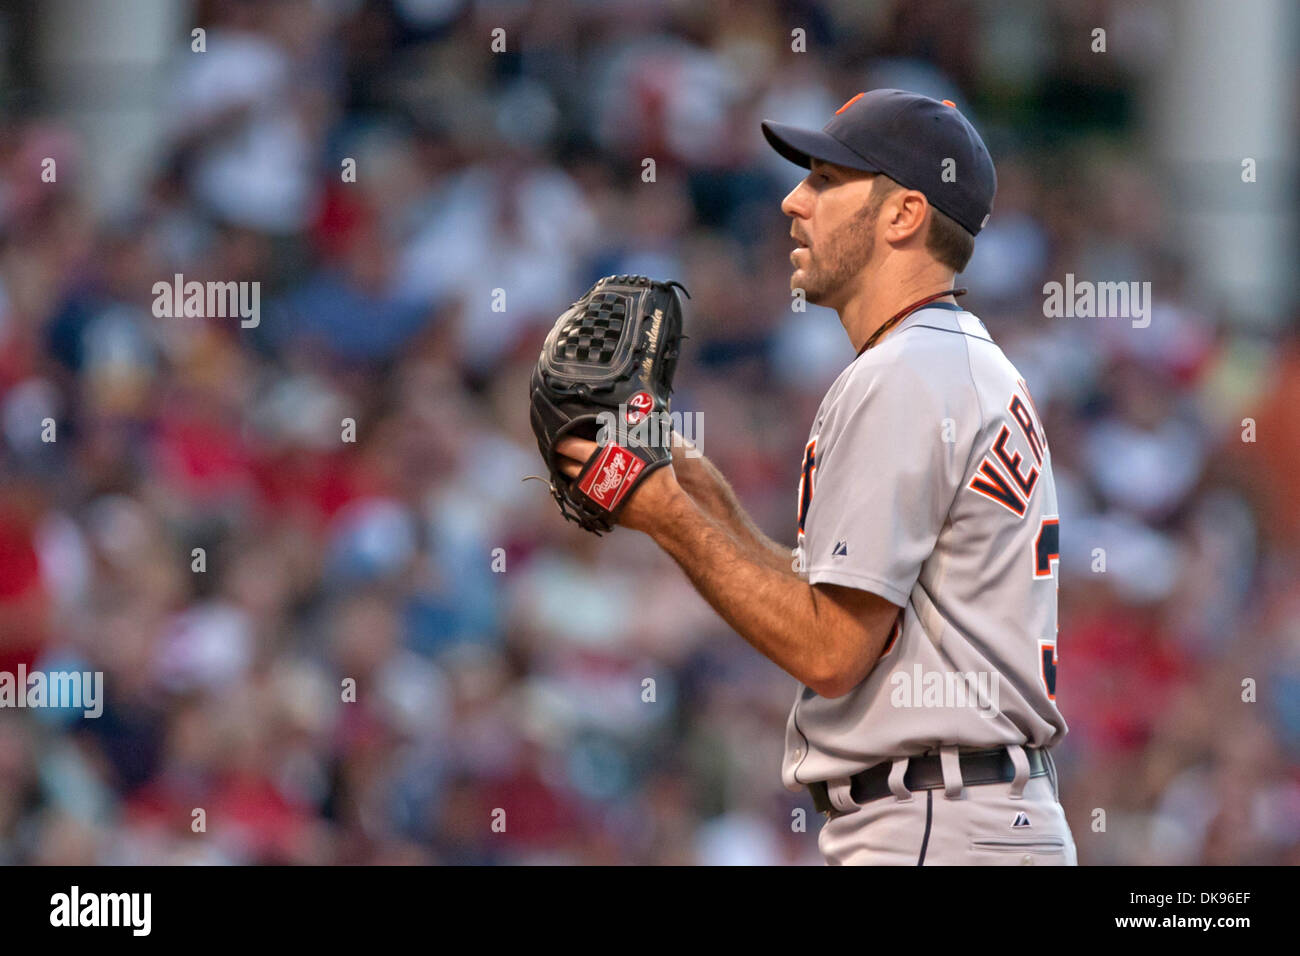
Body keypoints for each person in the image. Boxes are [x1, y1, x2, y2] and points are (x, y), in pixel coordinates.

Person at [556, 89, 1077, 865]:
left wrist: (662, 512)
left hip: (935, 820)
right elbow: (832, 604)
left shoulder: (908, 373)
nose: (794, 202)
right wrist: (691, 485)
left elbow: (831, 653)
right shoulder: (952, 361)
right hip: (966, 815)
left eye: (827, 181)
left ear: (902, 215)